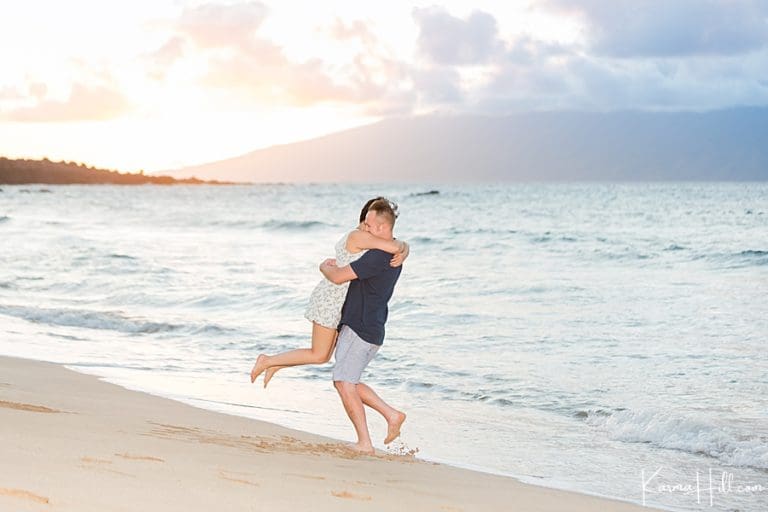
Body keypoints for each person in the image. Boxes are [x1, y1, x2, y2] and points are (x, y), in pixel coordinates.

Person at [249, 197, 409, 387]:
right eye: (367, 223)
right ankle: (268, 361)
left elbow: (393, 243)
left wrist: (404, 248)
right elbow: (393, 246)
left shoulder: (369, 239)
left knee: (321, 355)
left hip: (340, 300)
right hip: (332, 298)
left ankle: (276, 363)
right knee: (319, 354)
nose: (368, 227)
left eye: (371, 224)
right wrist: (404, 249)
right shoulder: (359, 236)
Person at [319, 199, 406, 454]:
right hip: (371, 327)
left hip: (361, 327)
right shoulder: (392, 252)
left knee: (344, 382)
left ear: (380, 227)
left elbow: (336, 277)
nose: (363, 229)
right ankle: (392, 415)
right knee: (349, 381)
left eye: (368, 224)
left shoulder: (378, 257)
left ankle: (365, 443)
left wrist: (324, 266)